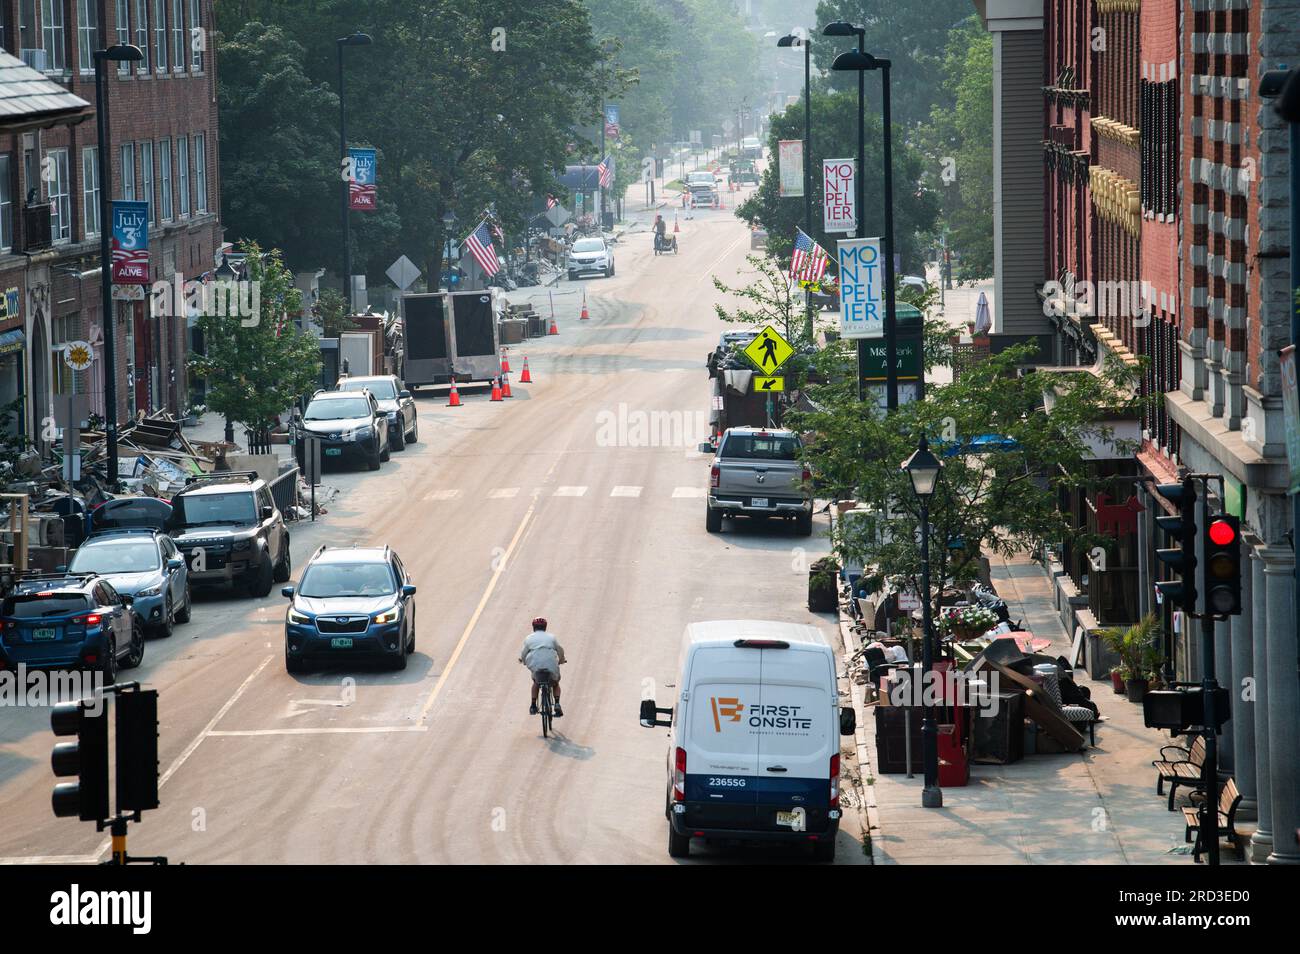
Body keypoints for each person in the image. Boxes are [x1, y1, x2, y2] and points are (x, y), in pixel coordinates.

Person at [519, 617, 566, 717]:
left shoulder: (529, 638)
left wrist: (522, 660)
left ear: (533, 627)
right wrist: (561, 660)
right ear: (545, 627)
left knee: (536, 682)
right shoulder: (551, 637)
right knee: (555, 683)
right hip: (551, 665)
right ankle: (557, 703)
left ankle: (533, 705)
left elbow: (523, 653)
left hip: (536, 666)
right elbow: (559, 650)